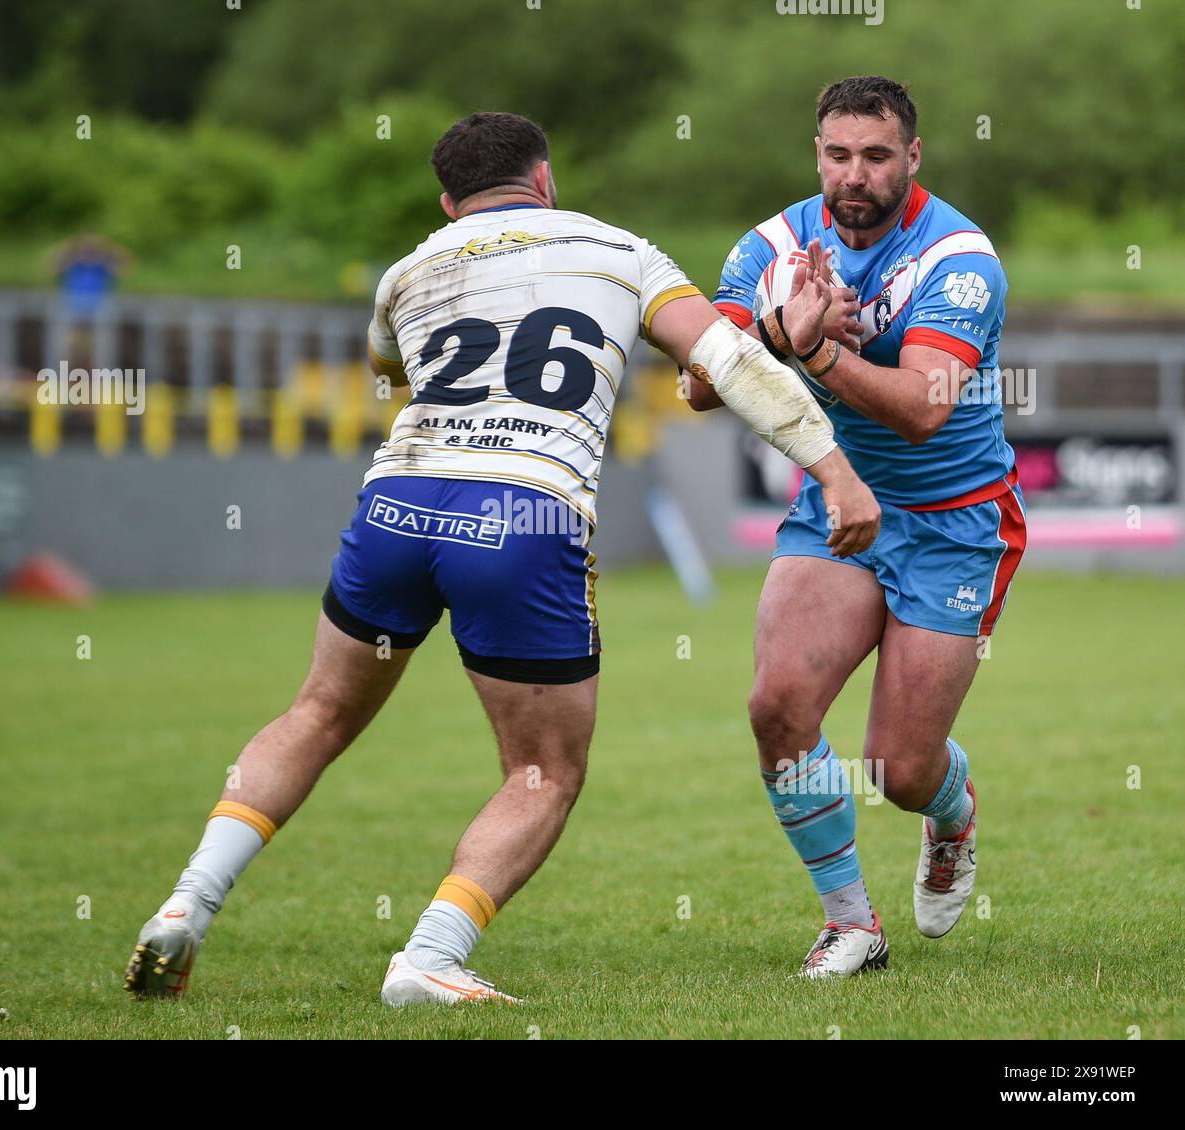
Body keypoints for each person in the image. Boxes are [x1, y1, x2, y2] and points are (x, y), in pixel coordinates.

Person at [125, 111, 879, 1005]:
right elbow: (728, 364)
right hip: (522, 512)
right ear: (546, 178)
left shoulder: (409, 270)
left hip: (396, 506)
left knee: (317, 714)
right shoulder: (622, 252)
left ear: (449, 202)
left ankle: (184, 906)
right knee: (544, 772)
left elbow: (392, 368)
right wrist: (833, 469)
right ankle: (432, 954)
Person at [691, 76, 1026, 977]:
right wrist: (771, 326)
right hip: (838, 511)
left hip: (956, 524)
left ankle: (950, 814)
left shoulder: (961, 258)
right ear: (817, 156)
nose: (855, 175)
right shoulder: (771, 244)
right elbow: (695, 384)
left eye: (877, 156)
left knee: (897, 772)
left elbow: (921, 409)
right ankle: (850, 924)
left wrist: (818, 350)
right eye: (838, 155)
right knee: (777, 706)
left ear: (912, 158)